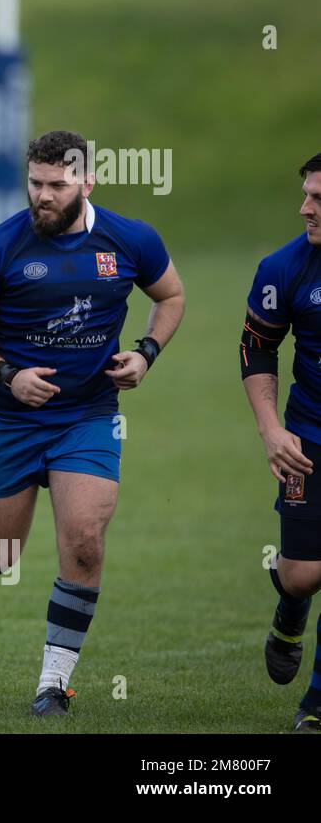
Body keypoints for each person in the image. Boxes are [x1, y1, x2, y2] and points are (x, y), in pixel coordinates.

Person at [0, 128, 184, 716]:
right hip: (7, 421)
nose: (43, 196)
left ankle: (53, 685)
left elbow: (171, 296)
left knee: (85, 542)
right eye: (35, 184)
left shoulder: (130, 240)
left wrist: (146, 353)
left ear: (87, 183)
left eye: (57, 185)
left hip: (88, 416)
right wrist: (7, 375)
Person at [242, 152, 321, 732]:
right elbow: (257, 347)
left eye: (318, 198)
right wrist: (272, 429)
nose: (305, 207)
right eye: (306, 194)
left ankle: (314, 706)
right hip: (307, 441)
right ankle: (289, 612)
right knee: (301, 573)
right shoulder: (283, 269)